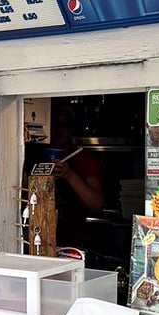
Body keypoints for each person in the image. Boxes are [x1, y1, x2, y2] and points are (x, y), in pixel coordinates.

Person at [50, 104, 104, 248]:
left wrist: (70, 176)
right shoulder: (33, 156)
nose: (59, 129)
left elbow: (96, 204)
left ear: (72, 128)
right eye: (54, 123)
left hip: (75, 242)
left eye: (65, 124)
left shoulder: (83, 159)